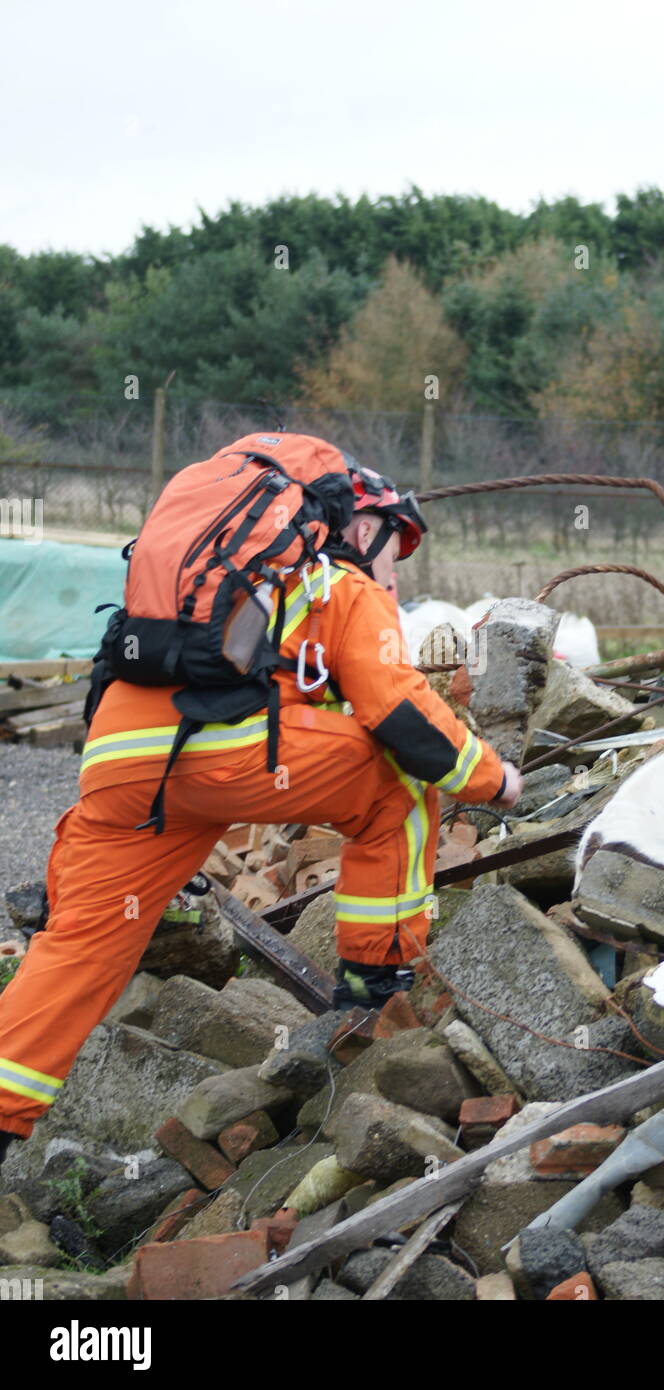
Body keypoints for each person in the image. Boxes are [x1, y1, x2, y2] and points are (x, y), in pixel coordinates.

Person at [0, 452, 523, 1165]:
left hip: (121, 764)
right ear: (361, 525)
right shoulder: (337, 582)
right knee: (402, 786)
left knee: (77, 950)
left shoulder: (206, 592)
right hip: (229, 752)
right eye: (393, 548)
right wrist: (495, 780)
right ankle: (377, 990)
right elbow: (403, 717)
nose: (395, 572)